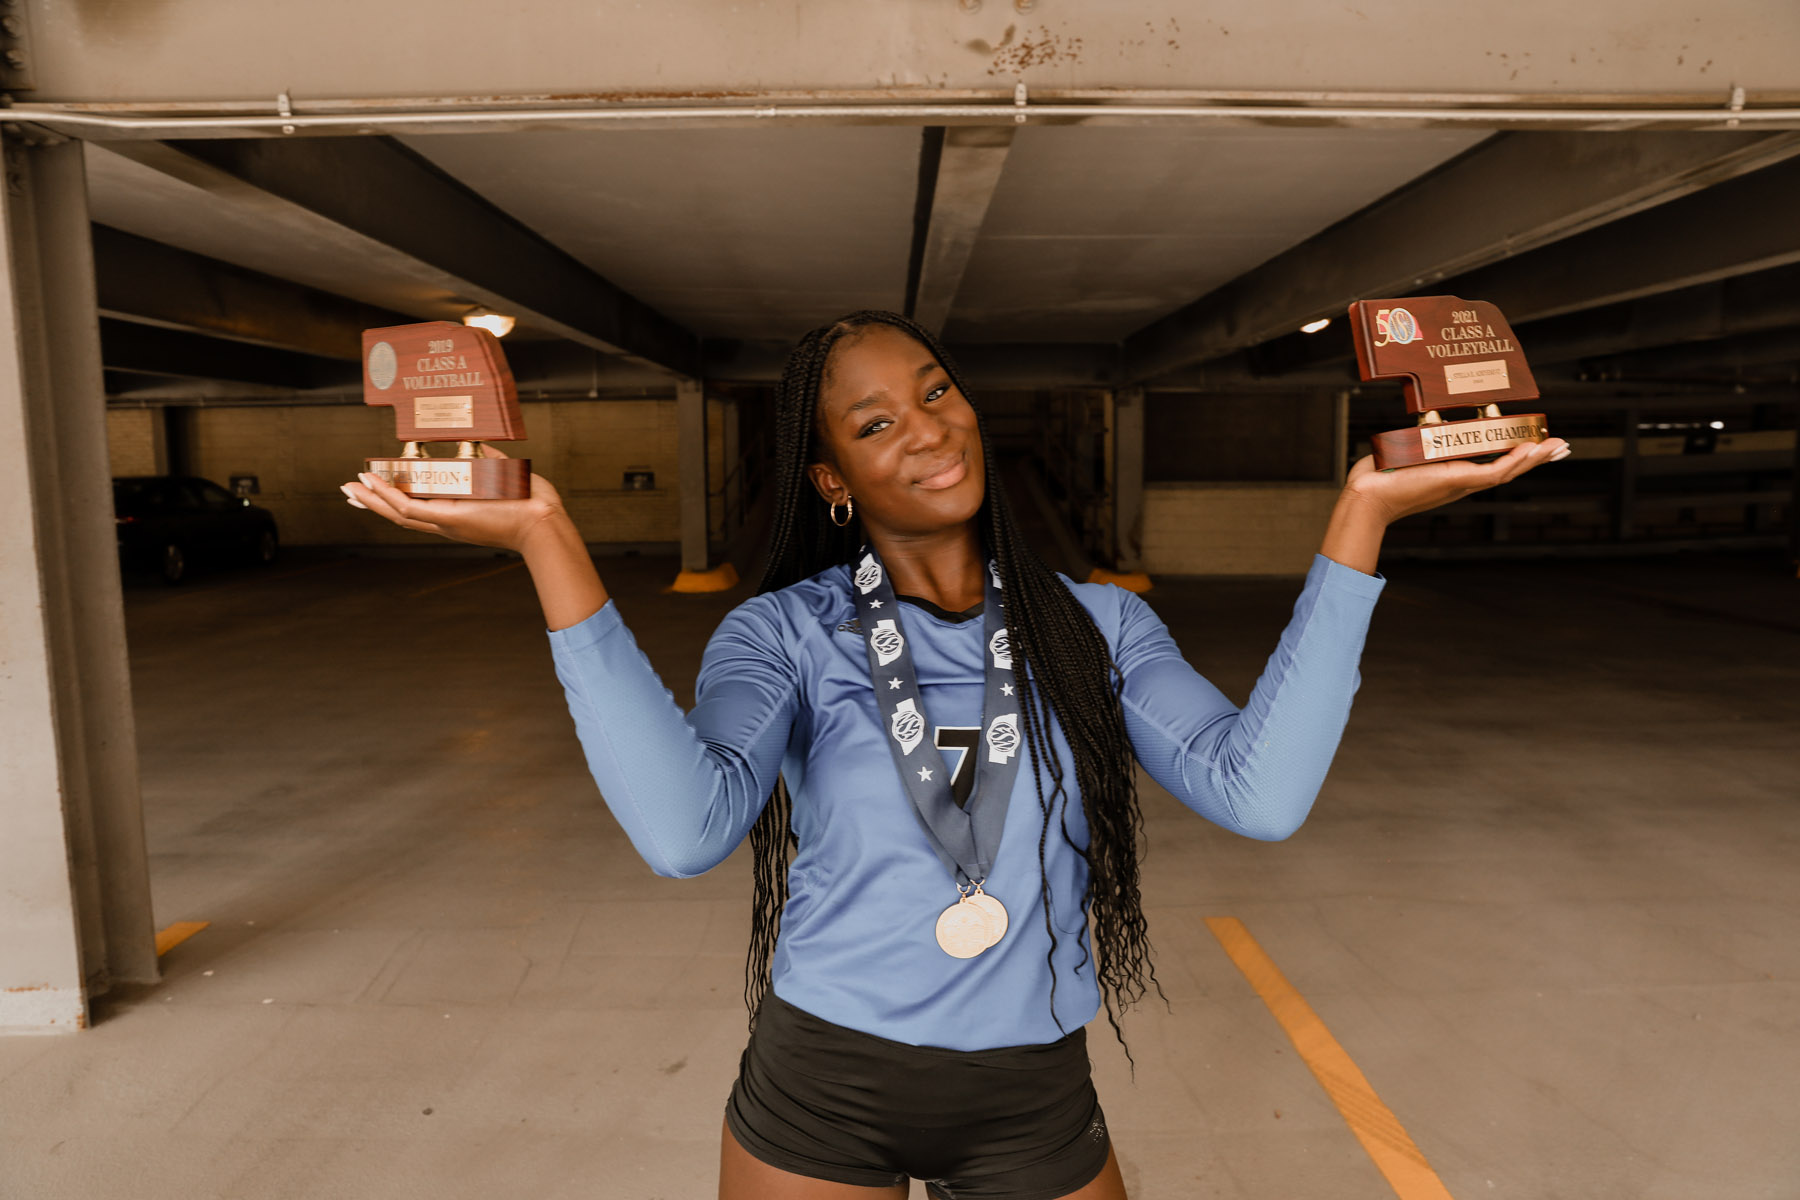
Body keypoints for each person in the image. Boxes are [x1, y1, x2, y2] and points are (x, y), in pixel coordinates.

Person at [342, 310, 1570, 1199]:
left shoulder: (1098, 626)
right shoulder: (786, 634)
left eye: (937, 391)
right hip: (821, 1085)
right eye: (879, 422)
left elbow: (1261, 795)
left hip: (1034, 1092)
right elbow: (684, 831)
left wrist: (1359, 520)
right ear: (834, 478)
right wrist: (548, 543)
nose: (929, 431)